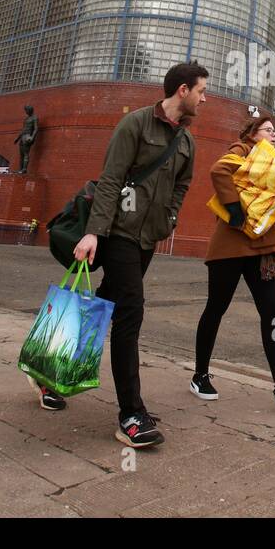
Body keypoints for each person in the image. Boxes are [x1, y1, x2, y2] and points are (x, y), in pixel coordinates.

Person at [69, 61, 205, 446]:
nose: (204, 98)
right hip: (118, 234)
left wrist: (170, 219)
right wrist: (95, 232)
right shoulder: (136, 125)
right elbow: (110, 178)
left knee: (103, 307)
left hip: (147, 239)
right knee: (131, 310)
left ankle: (51, 370)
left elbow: (183, 185)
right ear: (182, 90)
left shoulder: (187, 141)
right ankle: (131, 414)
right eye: (201, 90)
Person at [191, 109, 275, 408]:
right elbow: (219, 171)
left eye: (274, 131)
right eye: (267, 129)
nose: (273, 135)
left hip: (262, 250)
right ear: (253, 133)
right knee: (215, 309)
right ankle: (200, 375)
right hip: (231, 247)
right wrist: (235, 210)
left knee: (272, 314)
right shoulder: (244, 151)